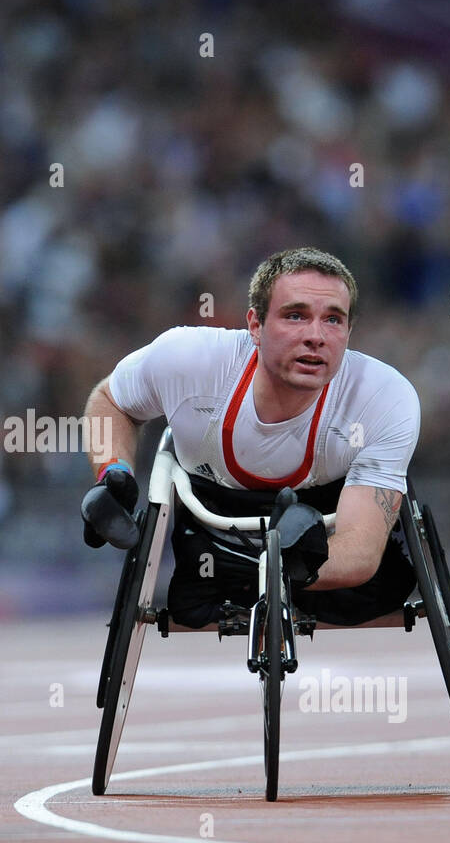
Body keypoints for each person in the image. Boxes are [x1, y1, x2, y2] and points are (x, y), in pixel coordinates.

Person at [80, 247, 419, 631]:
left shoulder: (384, 397)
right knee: (196, 590)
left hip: (322, 542)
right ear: (255, 325)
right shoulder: (189, 360)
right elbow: (110, 400)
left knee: (380, 579)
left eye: (333, 320)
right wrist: (112, 472)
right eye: (295, 316)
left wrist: (291, 565)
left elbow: (360, 549)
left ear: (349, 332)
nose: (315, 336)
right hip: (216, 527)